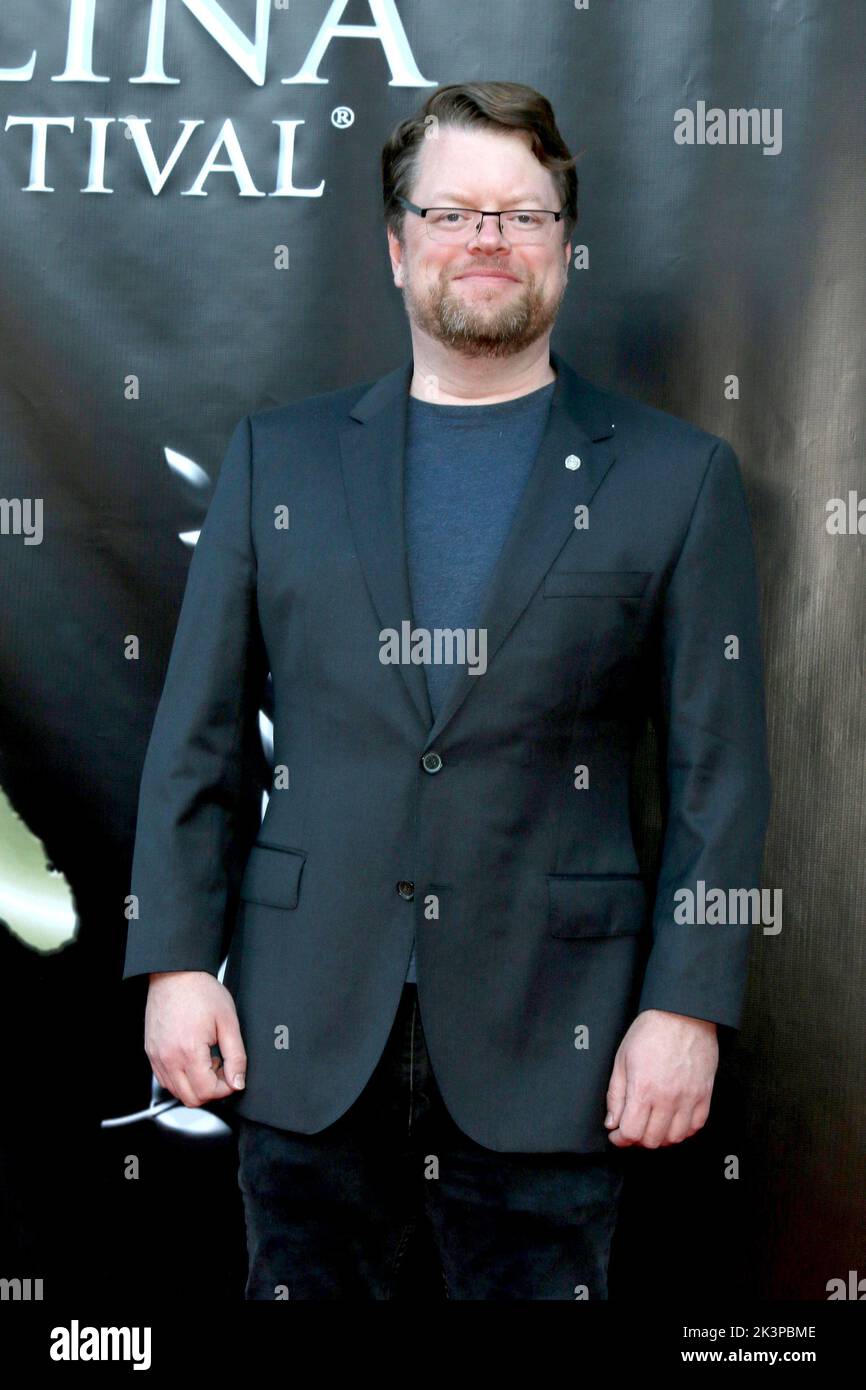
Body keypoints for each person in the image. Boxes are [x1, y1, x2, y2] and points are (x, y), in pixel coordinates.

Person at [123, 81, 772, 1300]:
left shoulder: (677, 480)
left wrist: (687, 1006)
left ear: (563, 252)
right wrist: (170, 962)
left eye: (521, 216)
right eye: (453, 211)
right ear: (394, 243)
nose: (486, 239)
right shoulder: (281, 456)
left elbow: (717, 777)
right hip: (300, 1040)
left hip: (560, 1047)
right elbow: (196, 738)